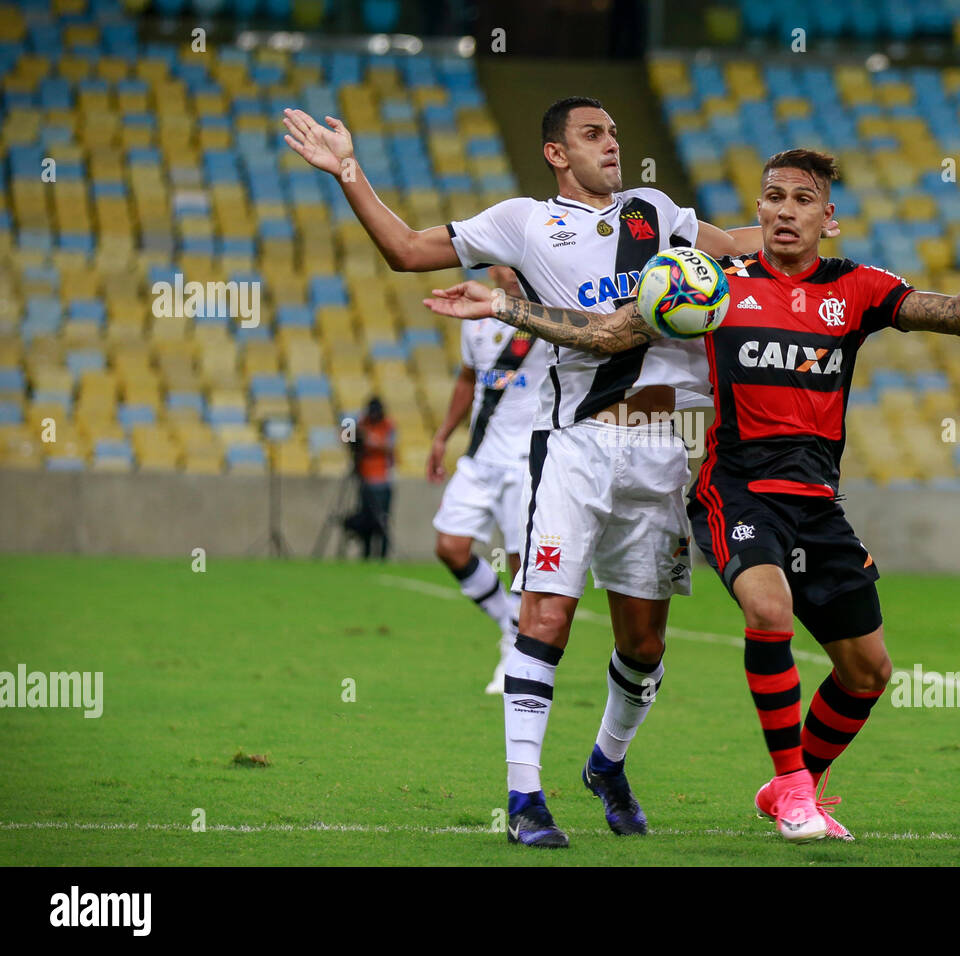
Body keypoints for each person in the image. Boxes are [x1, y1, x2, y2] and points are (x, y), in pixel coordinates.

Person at [425, 147, 960, 843]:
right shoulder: (710, 283)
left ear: (828, 220)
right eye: (773, 196)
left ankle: (786, 783)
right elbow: (607, 332)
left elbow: (958, 315)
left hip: (817, 501)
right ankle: (800, 794)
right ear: (758, 210)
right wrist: (505, 304)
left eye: (803, 200)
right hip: (735, 487)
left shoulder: (859, 287)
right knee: (767, 610)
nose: (784, 210)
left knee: (868, 671)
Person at [284, 96, 828, 848]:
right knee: (548, 617)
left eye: (613, 131)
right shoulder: (523, 222)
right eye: (593, 134)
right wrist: (347, 170)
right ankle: (524, 797)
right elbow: (408, 249)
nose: (612, 143)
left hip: (669, 451)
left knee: (644, 647)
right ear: (556, 153)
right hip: (577, 445)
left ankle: (606, 763)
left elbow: (738, 243)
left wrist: (803, 222)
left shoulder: (653, 211)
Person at [429, 267, 547, 694]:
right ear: (494, 269)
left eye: (521, 265)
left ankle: (515, 657)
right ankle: (509, 622)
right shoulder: (476, 321)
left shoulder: (545, 316)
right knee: (450, 545)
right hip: (480, 459)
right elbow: (467, 378)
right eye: (504, 265)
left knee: (521, 565)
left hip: (526, 460)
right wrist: (443, 436)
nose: (513, 273)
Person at [344, 396, 395, 559]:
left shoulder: (388, 425)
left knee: (382, 521)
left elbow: (389, 447)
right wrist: (352, 422)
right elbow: (346, 437)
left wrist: (369, 439)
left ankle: (382, 556)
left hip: (382, 481)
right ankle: (365, 554)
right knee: (366, 521)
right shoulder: (362, 424)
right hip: (364, 480)